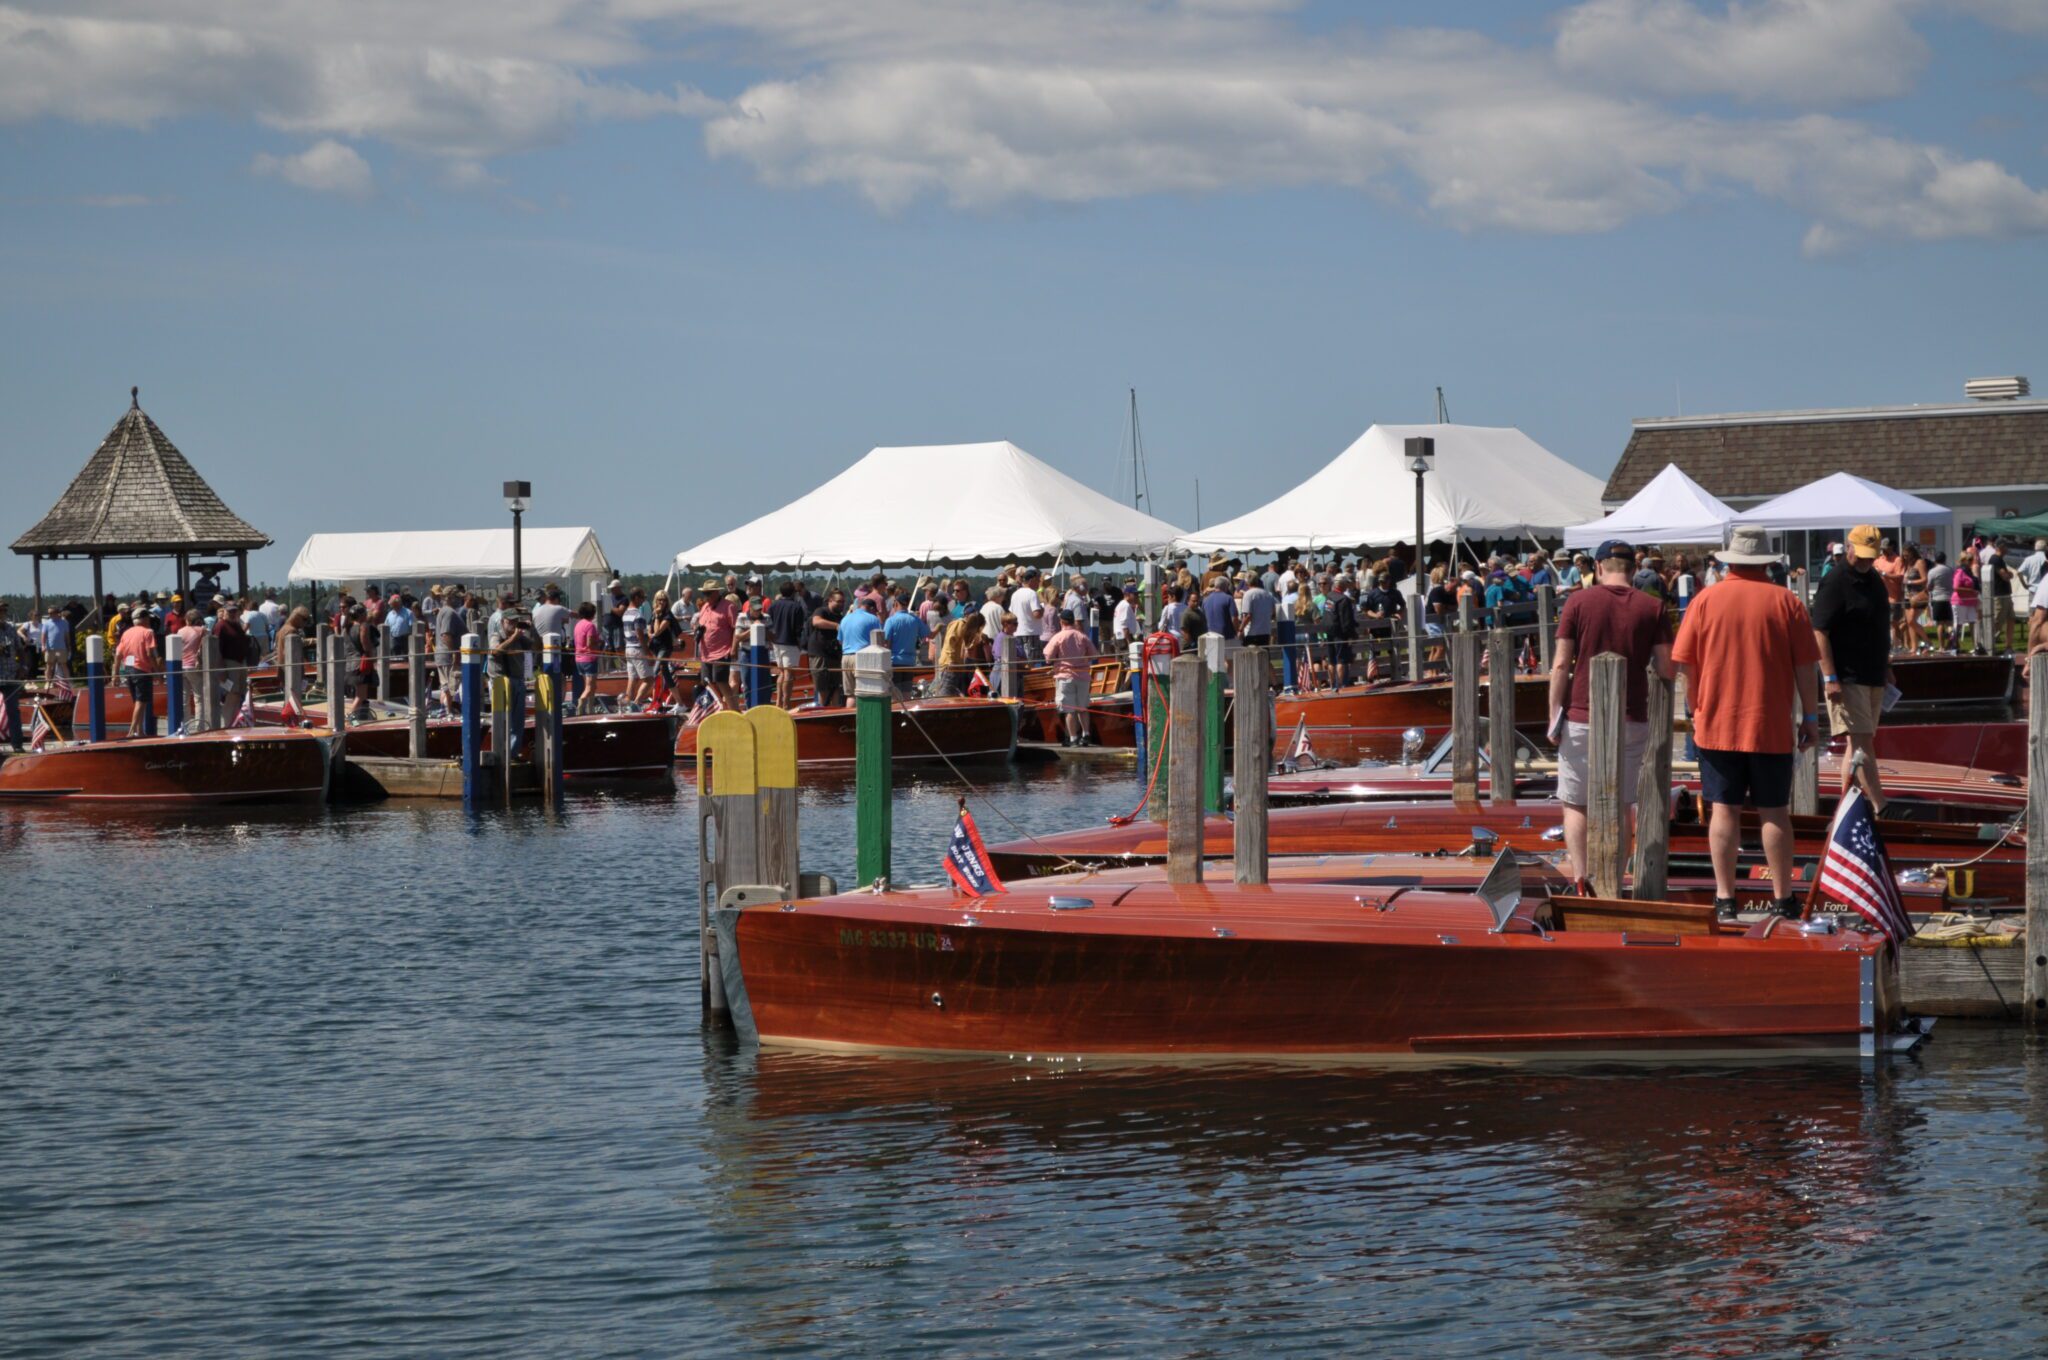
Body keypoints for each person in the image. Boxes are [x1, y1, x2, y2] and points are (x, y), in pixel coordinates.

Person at [1670, 524, 1822, 920]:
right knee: (1774, 813)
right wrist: (1810, 716)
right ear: (1767, 562)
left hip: (1717, 724)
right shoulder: (1787, 602)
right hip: (1769, 724)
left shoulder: (1705, 600)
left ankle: (1724, 899)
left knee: (1724, 811)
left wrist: (1695, 708)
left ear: (1729, 560)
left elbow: (1685, 663)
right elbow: (1806, 667)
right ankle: (1783, 898)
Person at [1546, 540, 1674, 887]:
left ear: (1598, 567)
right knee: (1622, 804)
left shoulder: (1578, 601)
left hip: (1581, 715)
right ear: (1633, 569)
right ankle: (1613, 880)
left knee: (1576, 803)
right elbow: (1666, 668)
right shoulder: (1653, 607)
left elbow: (1561, 664)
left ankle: (1581, 879)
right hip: (1632, 716)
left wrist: (1554, 714)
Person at [1811, 524, 1895, 816]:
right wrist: (1830, 676)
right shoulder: (1834, 581)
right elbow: (1819, 631)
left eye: (1870, 557)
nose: (1865, 562)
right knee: (1861, 741)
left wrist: (1885, 665)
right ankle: (1880, 806)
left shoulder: (1873, 579)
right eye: (1861, 555)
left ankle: (1847, 803)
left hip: (1872, 672)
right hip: (1846, 675)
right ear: (1848, 547)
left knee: (1858, 741)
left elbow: (1879, 624)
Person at [1044, 609, 1098, 746]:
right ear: (1073, 621)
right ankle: (1086, 735)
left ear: (1061, 621)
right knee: (1083, 707)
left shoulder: (1058, 637)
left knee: (1069, 709)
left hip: (1065, 676)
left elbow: (1048, 658)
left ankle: (1073, 738)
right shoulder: (1082, 636)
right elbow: (1094, 655)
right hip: (1083, 676)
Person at [114, 604, 161, 737]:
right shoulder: (148, 632)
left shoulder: (126, 633)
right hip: (142, 669)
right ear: (144, 619)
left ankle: (140, 731)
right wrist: (157, 672)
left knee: (138, 701)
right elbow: (150, 653)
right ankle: (131, 731)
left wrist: (116, 674)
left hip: (128, 669)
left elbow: (118, 655)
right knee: (141, 701)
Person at [695, 585, 738, 710]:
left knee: (721, 681)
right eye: (704, 593)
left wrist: (734, 648)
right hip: (706, 653)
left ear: (716, 592)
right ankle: (721, 707)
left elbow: (736, 628)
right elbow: (700, 624)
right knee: (706, 682)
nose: (706, 596)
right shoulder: (704, 607)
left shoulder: (729, 606)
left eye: (708, 593)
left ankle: (734, 710)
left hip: (722, 651)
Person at [932, 613, 991, 697]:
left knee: (952, 693)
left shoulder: (964, 628)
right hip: (950, 665)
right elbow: (950, 643)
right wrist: (951, 661)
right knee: (946, 692)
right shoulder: (959, 624)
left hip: (957, 665)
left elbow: (967, 646)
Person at [881, 591, 928, 692]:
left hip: (894, 662)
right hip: (910, 662)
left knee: (895, 693)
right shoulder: (915, 619)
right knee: (907, 692)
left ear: (896, 603)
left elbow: (886, 642)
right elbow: (927, 634)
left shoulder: (891, 621)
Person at [620, 587, 652, 709]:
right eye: (643, 598)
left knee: (632, 679)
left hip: (628, 649)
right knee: (649, 680)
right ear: (637, 598)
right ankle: (636, 703)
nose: (644, 600)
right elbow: (640, 635)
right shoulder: (638, 615)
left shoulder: (626, 613)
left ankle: (626, 704)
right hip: (638, 649)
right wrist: (648, 653)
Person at [1873, 537, 1907, 651]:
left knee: (1893, 623)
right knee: (1883, 623)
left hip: (1894, 597)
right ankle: (1891, 645)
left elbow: (1899, 577)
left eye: (1885, 548)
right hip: (1879, 597)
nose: (1883, 551)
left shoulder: (1897, 560)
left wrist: (1883, 573)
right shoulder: (1878, 560)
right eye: (1881, 549)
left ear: (1891, 547)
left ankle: (1896, 645)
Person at [1008, 568, 1047, 660]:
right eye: (1038, 580)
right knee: (1031, 662)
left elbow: (1011, 612)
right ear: (1032, 580)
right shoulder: (1032, 593)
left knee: (1021, 661)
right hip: (1030, 633)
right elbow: (1037, 614)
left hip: (1017, 633)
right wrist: (1042, 608)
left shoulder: (1015, 594)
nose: (1039, 583)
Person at [1925, 551, 1954, 652]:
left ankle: (1942, 647)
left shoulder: (1932, 571)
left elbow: (1929, 587)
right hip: (1949, 598)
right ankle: (1953, 643)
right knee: (1949, 623)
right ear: (1945, 559)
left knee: (1940, 624)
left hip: (1938, 599)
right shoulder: (1950, 570)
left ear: (1935, 560)